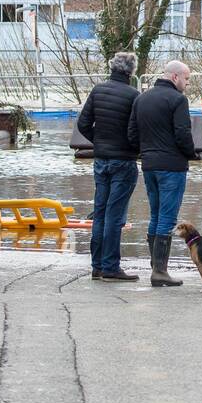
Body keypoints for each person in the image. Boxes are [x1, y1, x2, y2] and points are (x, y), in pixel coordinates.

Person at [128, 59, 196, 286]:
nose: (186, 84)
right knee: (167, 218)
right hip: (172, 167)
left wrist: (145, 152)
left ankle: (156, 267)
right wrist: (192, 154)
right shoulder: (178, 100)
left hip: (149, 165)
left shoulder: (141, 98)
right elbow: (183, 133)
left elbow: (132, 134)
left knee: (156, 215)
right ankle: (159, 271)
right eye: (186, 79)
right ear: (175, 77)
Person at [77, 52, 141, 281]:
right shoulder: (134, 95)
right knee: (115, 215)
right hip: (123, 161)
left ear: (112, 67)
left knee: (101, 213)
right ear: (131, 71)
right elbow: (136, 131)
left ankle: (97, 266)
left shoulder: (98, 90)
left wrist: (100, 142)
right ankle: (111, 267)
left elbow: (83, 124)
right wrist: (132, 148)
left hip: (101, 160)